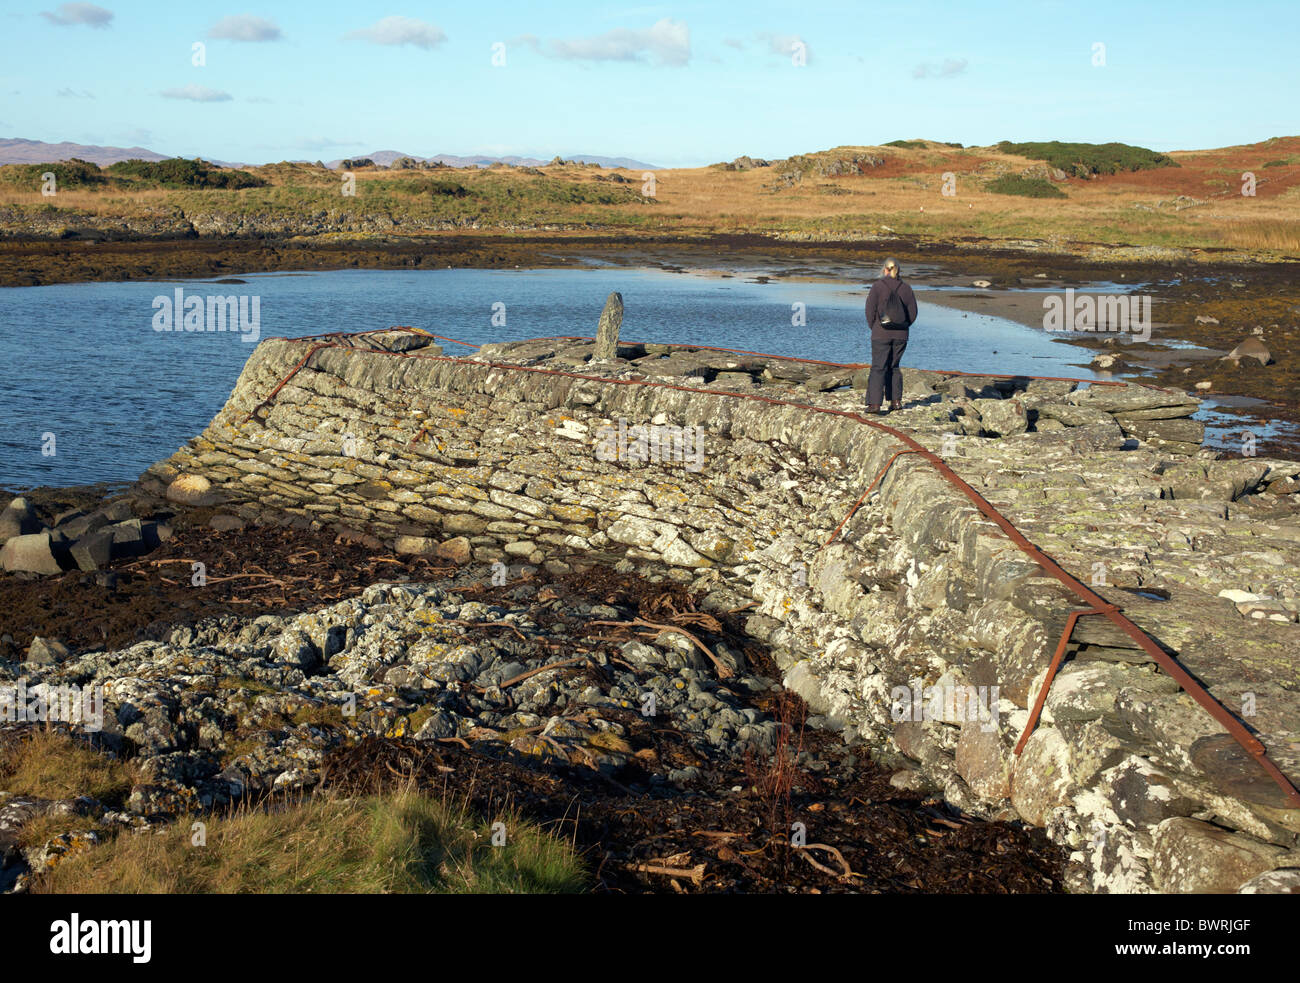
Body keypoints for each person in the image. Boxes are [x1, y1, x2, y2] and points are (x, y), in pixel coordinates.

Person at [863, 257, 918, 414]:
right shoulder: (906, 288)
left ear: (885, 270)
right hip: (901, 335)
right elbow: (913, 314)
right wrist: (904, 326)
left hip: (881, 333)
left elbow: (870, 311)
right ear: (898, 270)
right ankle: (896, 402)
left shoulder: (877, 286)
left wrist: (874, 327)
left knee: (878, 367)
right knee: (894, 367)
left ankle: (874, 404)